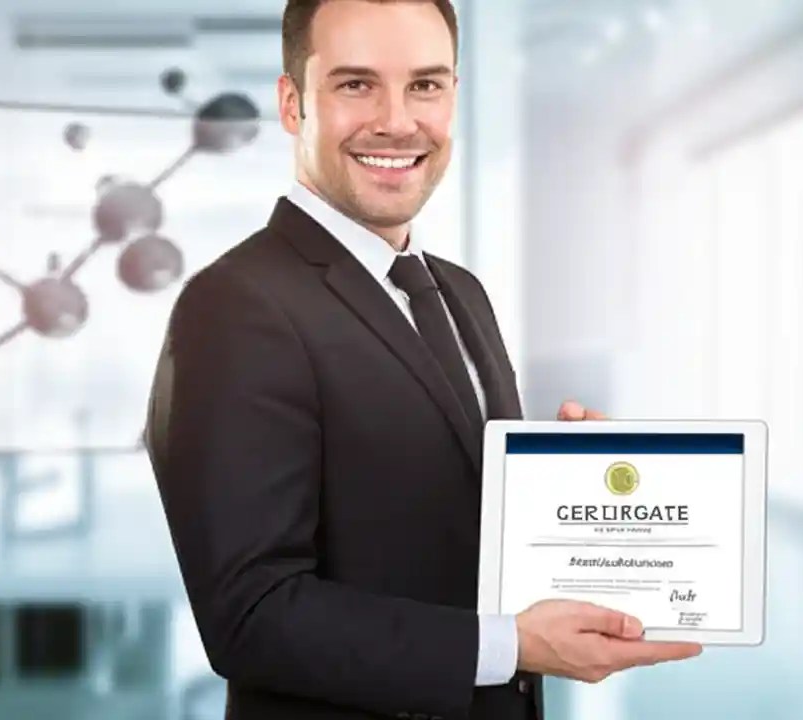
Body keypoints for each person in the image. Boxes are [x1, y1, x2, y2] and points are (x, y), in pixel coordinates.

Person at [144, 1, 703, 718]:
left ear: (453, 98)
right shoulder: (234, 306)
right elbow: (253, 615)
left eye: (425, 86)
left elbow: (437, 518)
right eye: (356, 85)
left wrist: (574, 494)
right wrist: (511, 648)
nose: (398, 120)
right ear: (292, 103)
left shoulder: (458, 292)